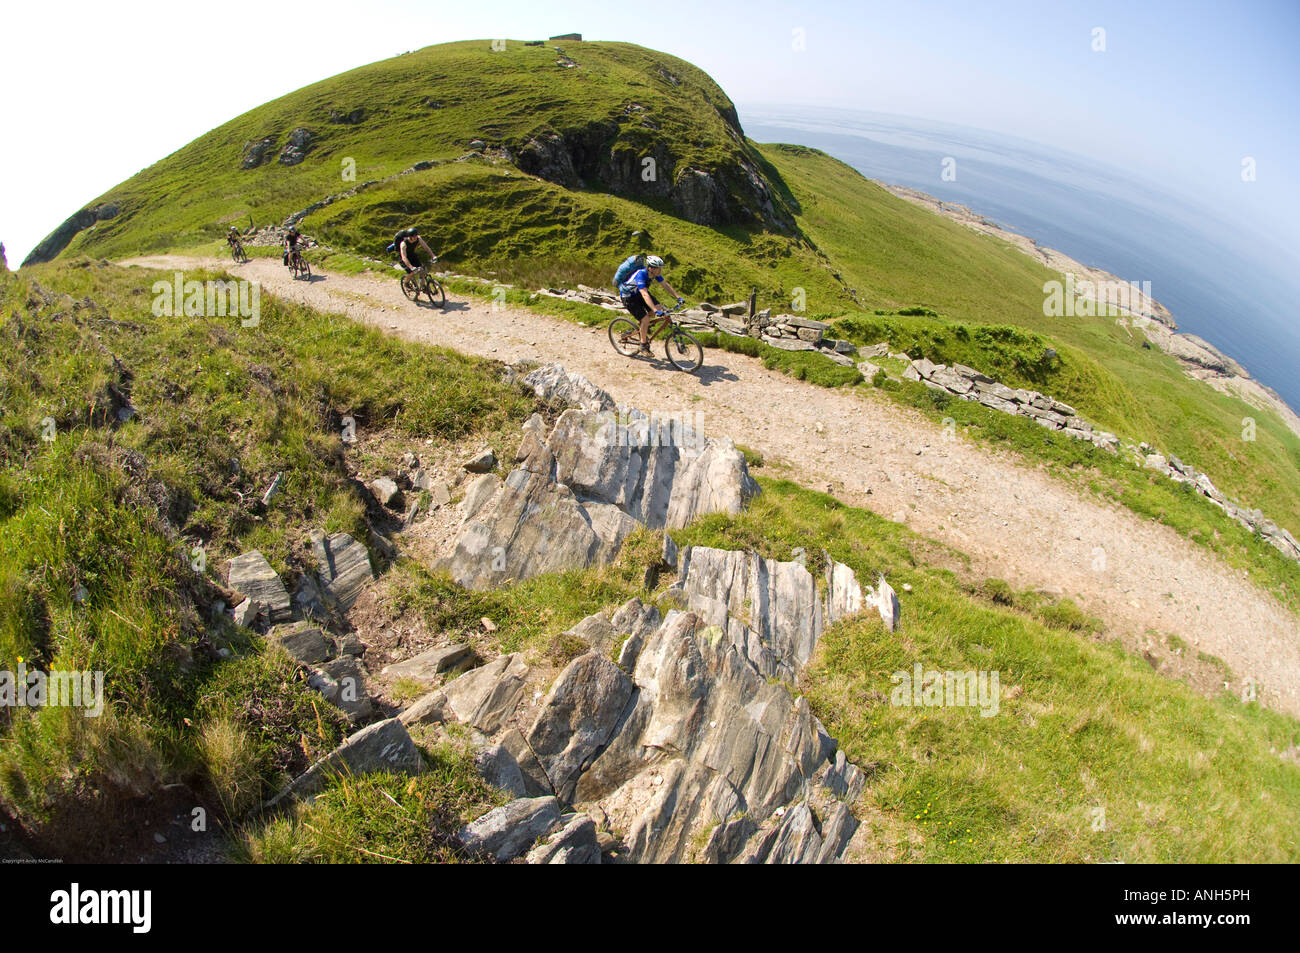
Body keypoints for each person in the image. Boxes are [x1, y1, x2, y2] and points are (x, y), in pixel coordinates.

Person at [617, 255, 684, 351]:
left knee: (658, 307)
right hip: (629, 297)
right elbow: (644, 294)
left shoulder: (654, 274)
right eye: (658, 268)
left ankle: (641, 327)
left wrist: (678, 297)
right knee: (646, 319)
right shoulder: (641, 275)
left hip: (639, 293)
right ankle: (643, 345)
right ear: (650, 268)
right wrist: (654, 310)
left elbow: (665, 285)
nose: (660, 270)